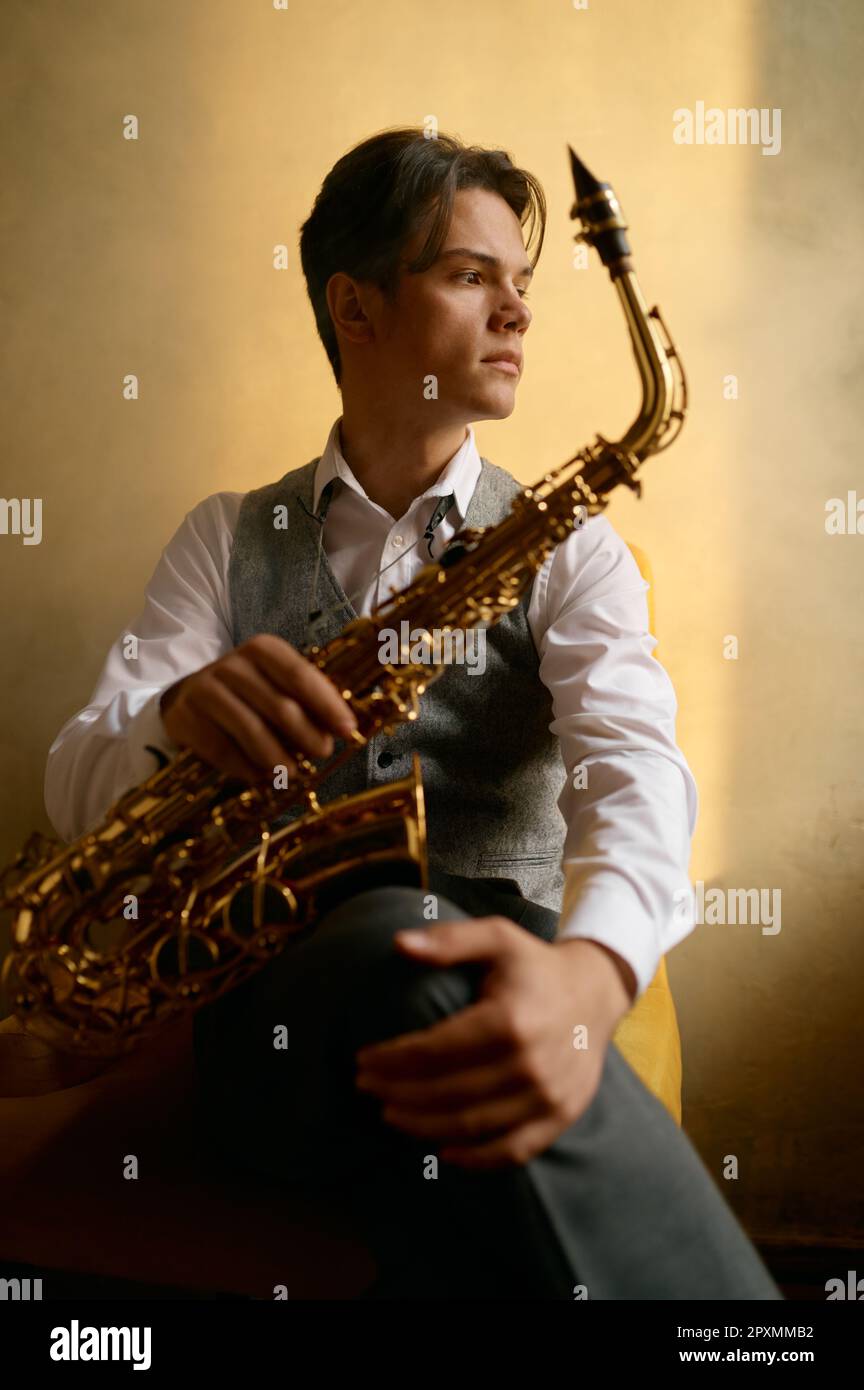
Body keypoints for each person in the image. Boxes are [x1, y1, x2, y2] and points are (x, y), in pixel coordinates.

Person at [44, 126, 782, 1300]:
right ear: (358, 308)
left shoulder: (573, 549)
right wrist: (176, 713)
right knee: (411, 948)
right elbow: (77, 773)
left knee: (456, 1074)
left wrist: (585, 987)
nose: (518, 313)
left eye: (523, 284)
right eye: (470, 274)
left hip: (495, 991)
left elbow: (637, 777)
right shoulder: (225, 534)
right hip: (279, 1033)